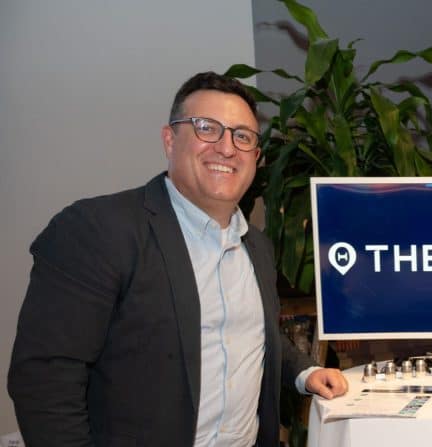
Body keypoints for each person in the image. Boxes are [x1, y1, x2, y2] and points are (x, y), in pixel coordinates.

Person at [8, 71, 349, 446]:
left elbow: (248, 332)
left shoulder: (258, 247)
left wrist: (305, 372)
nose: (226, 147)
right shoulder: (98, 231)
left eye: (242, 136)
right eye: (207, 128)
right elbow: (44, 381)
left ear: (256, 157)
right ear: (170, 140)